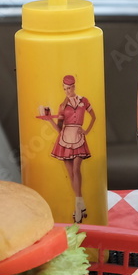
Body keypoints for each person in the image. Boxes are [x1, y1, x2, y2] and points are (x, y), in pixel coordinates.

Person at [47, 75, 96, 222]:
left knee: (76, 170)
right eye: (65, 89)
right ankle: (81, 205)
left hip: (78, 137)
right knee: (71, 174)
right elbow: (59, 128)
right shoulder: (62, 106)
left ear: (74, 86)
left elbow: (93, 117)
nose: (67, 91)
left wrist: (86, 131)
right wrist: (49, 119)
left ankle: (78, 208)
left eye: (69, 88)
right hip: (64, 138)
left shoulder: (83, 101)